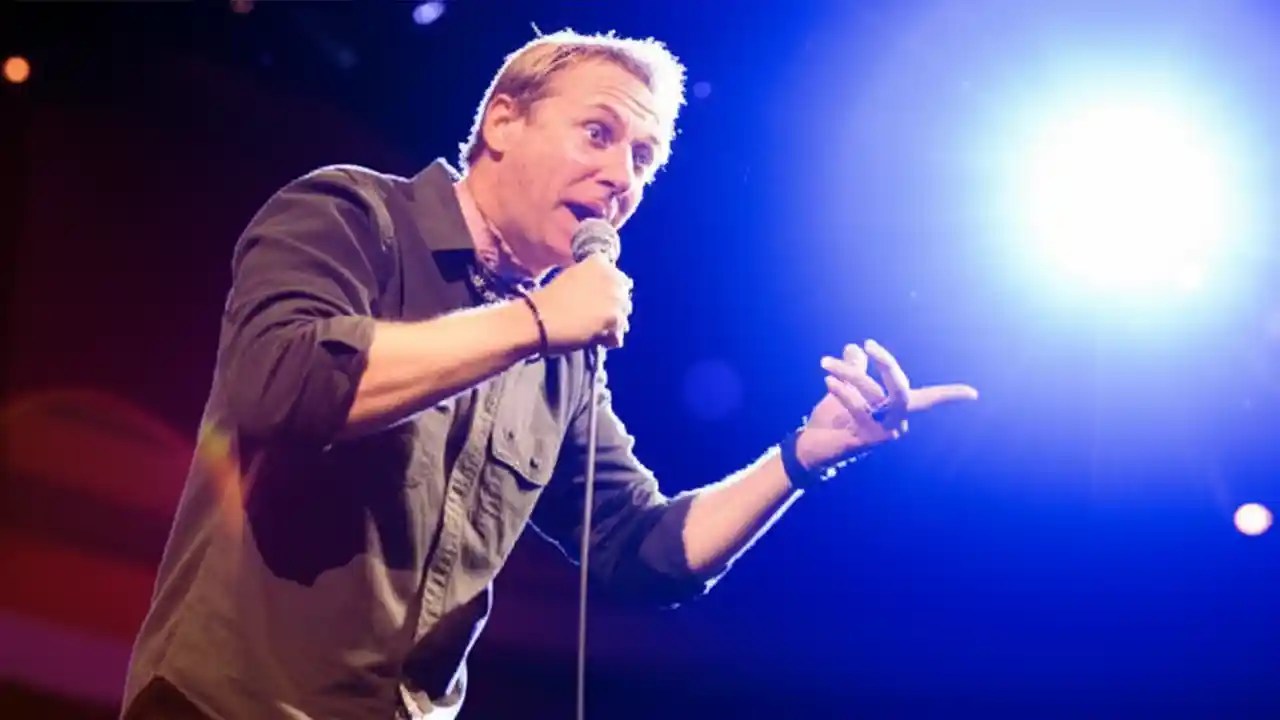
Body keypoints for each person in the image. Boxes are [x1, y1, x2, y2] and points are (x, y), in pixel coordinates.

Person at [120, 28, 978, 720]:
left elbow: (641, 551)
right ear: (503, 122)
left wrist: (804, 455)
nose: (620, 178)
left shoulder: (561, 355)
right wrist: (533, 324)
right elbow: (284, 385)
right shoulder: (355, 215)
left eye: (643, 159)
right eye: (599, 134)